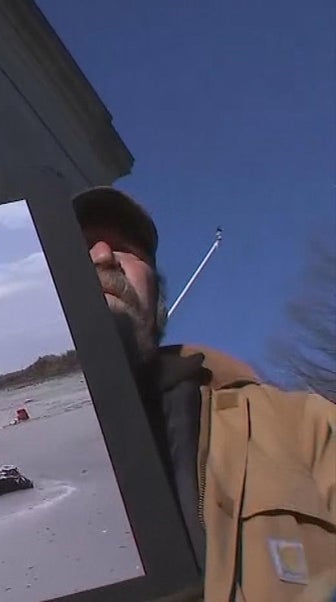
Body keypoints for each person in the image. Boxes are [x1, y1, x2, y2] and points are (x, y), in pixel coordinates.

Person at [73, 185, 336, 601]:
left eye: (127, 249)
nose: (104, 255)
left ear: (158, 297)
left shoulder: (307, 430)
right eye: (82, 245)